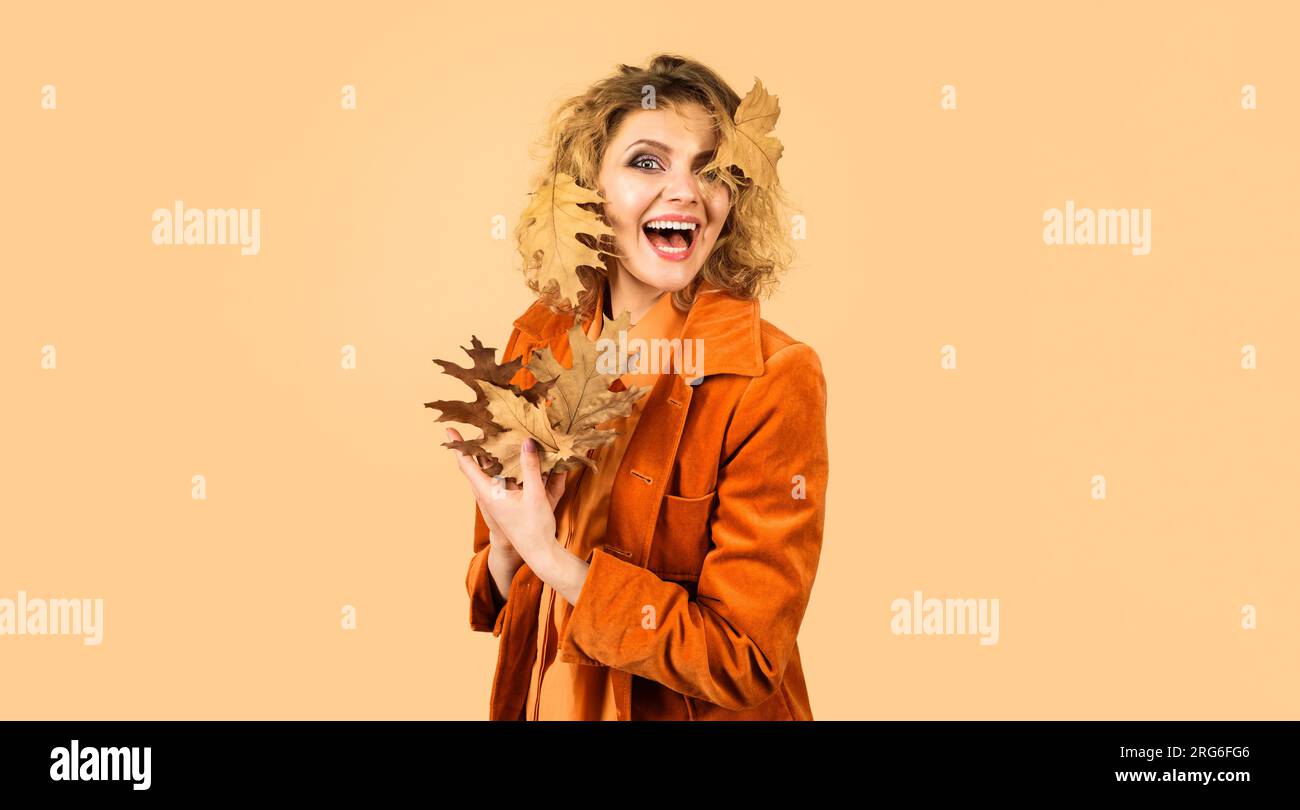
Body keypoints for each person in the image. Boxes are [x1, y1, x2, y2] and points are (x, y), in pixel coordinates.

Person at [447, 53, 829, 720]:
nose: (685, 191)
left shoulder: (773, 379)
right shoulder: (537, 341)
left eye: (710, 170)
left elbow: (745, 659)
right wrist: (510, 550)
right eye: (648, 162)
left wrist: (557, 561)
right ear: (586, 189)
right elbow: (496, 599)